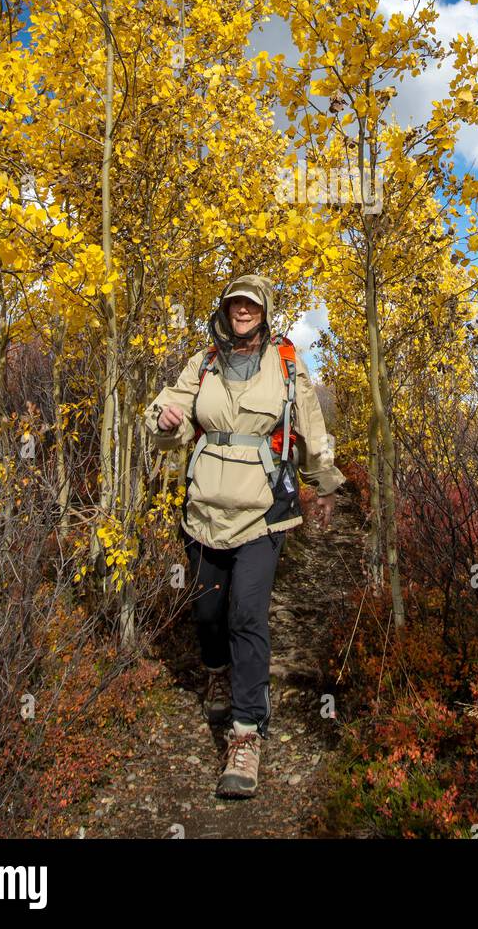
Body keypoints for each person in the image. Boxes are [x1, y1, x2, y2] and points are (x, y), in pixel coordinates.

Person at [143, 273, 345, 798]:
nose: (242, 311)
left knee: (246, 614)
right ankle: (216, 672)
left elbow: (313, 428)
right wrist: (163, 421)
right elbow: (170, 416)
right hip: (204, 509)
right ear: (226, 309)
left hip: (263, 512)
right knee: (208, 611)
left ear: (264, 310)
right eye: (235, 303)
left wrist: (324, 486)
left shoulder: (285, 362)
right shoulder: (204, 361)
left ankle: (247, 732)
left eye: (251, 304)